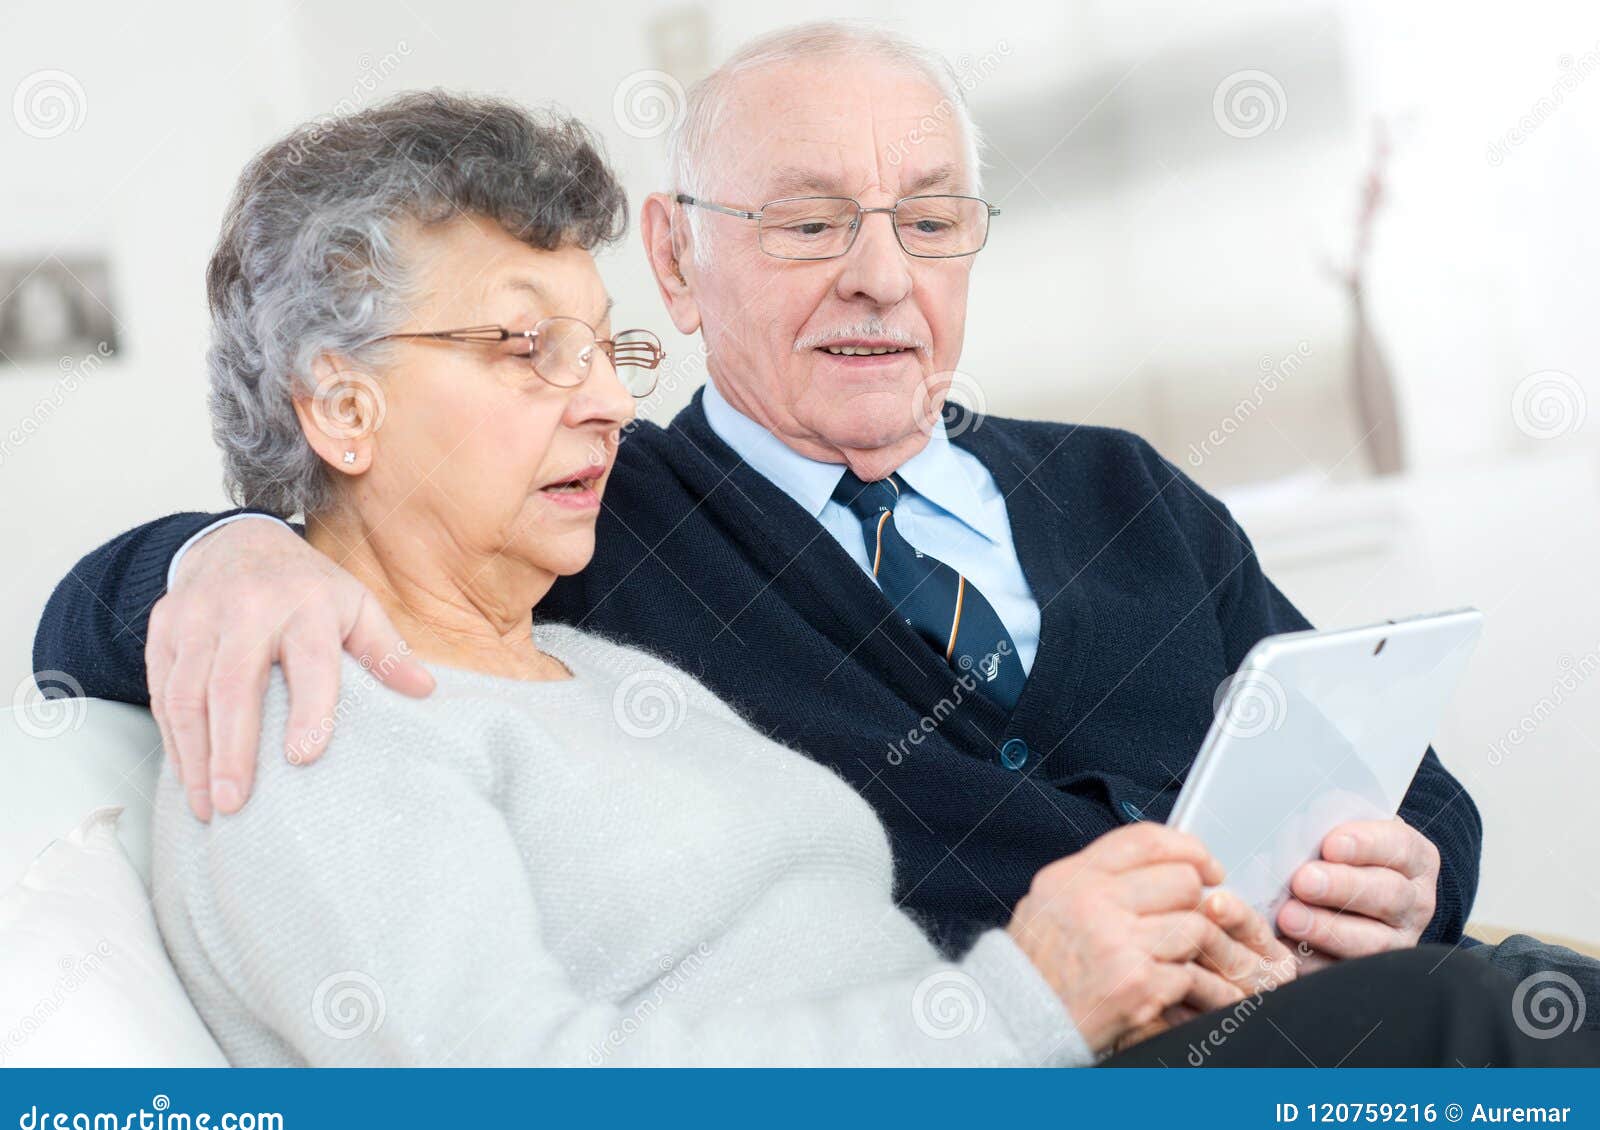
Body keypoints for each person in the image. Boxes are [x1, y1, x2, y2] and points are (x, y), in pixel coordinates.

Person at [36, 23, 1477, 974]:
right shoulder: (592, 524)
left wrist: (1413, 879)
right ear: (675, 261)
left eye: (928, 220)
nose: (879, 276)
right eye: (805, 224)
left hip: (1302, 1019)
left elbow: (1415, 794)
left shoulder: (1120, 487)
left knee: (1528, 1000)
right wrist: (221, 553)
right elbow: (108, 615)